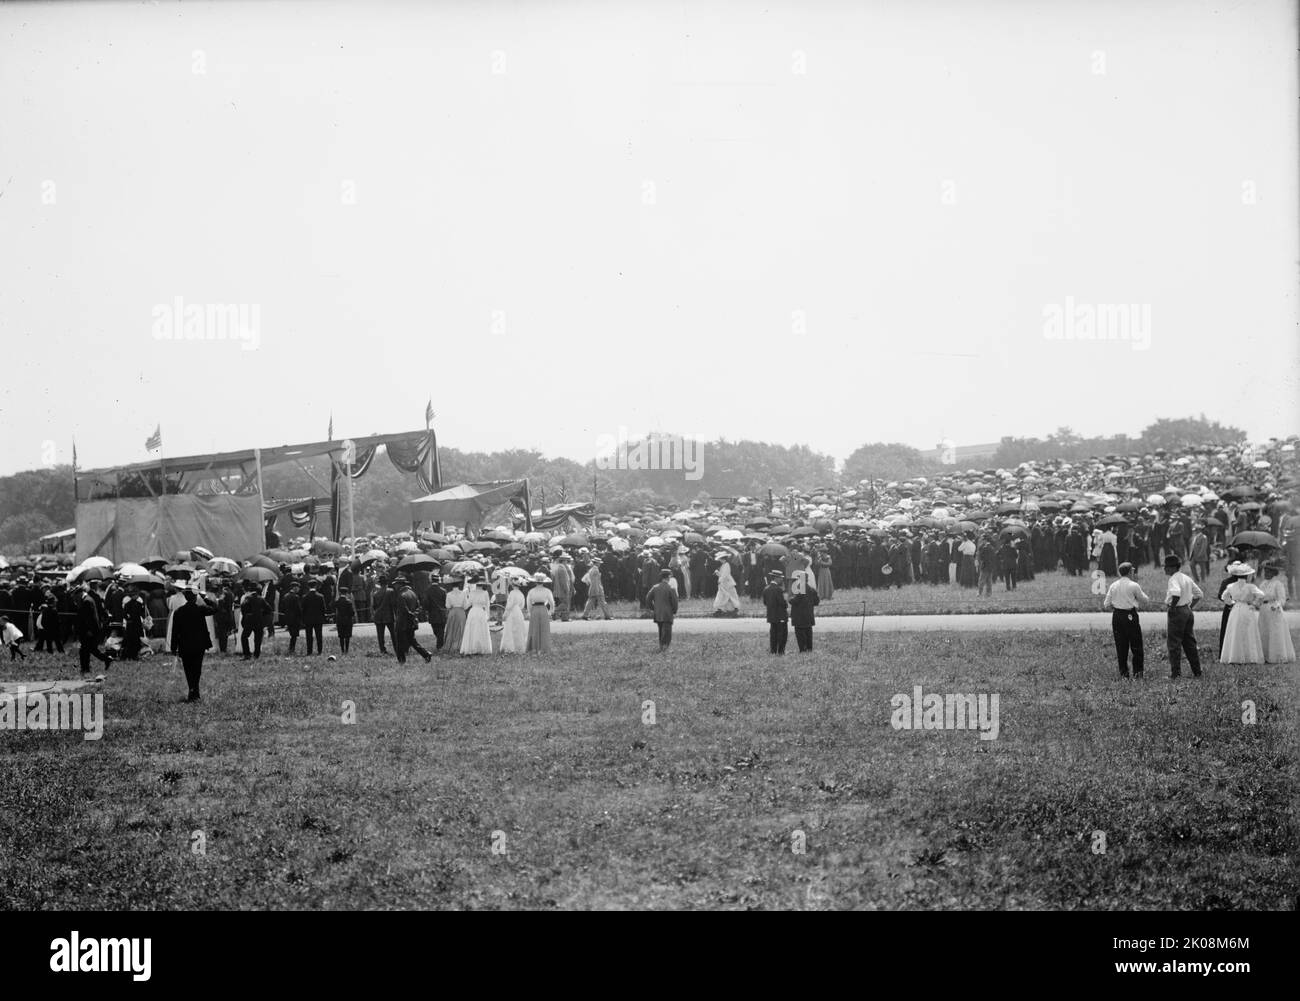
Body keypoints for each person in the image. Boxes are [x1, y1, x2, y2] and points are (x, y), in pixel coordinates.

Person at [1103, 562, 1148, 678]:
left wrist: (1116, 605)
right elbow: (1145, 600)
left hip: (1117, 616)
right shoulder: (1134, 585)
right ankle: (1138, 673)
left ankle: (1124, 674)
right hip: (1130, 615)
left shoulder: (1113, 585)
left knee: (1121, 646)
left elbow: (1106, 604)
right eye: (1132, 571)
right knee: (1136, 645)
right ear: (1129, 572)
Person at [170, 586, 215, 702]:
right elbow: (215, 608)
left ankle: (192, 690)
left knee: (188, 669)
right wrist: (205, 598)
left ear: (185, 597)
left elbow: (175, 631)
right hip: (199, 644)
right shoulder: (200, 609)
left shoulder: (178, 612)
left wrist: (173, 647)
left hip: (184, 644)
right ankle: (195, 691)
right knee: (197, 668)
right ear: (195, 597)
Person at [1163, 555, 1203, 678]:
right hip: (1187, 610)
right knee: (1190, 642)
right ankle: (1197, 671)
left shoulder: (1173, 579)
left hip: (1178, 611)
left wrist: (1173, 607)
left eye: (1166, 567)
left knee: (1174, 644)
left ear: (1173, 567)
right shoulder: (1186, 577)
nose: (1164, 569)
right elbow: (1199, 594)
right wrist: (1189, 607)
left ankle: (1175, 674)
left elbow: (1176, 594)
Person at [1220, 562, 1265, 665]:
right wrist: (1254, 604)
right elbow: (1261, 595)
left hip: (1236, 608)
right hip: (1246, 608)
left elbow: (1224, 597)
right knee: (1248, 630)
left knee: (1235, 630)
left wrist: (1231, 603)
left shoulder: (1231, 586)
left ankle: (1234, 655)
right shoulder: (1250, 586)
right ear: (1247, 575)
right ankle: (1250, 656)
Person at [1258, 562, 1295, 663]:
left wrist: (1277, 605)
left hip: (1274, 610)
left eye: (1268, 571)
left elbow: (1282, 599)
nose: (1265, 573)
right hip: (1264, 610)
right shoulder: (1263, 584)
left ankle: (1276, 656)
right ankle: (1265, 655)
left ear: (1273, 572)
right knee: (1264, 631)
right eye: (1265, 571)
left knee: (1274, 632)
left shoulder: (1278, 584)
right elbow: (1259, 598)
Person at [392, 576, 433, 663]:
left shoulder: (401, 595)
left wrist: (410, 614)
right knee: (412, 641)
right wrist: (414, 615)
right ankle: (426, 654)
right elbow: (419, 607)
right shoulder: (412, 593)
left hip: (402, 622)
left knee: (399, 642)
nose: (395, 586)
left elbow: (404, 610)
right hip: (411, 622)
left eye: (396, 584)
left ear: (400, 585)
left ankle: (401, 660)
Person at [75, 583, 113, 676]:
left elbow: (90, 618)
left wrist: (90, 630)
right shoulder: (87, 599)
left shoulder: (87, 601)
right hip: (89, 630)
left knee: (85, 650)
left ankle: (85, 668)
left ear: (79, 594)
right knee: (90, 649)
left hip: (89, 630)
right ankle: (105, 660)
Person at [239, 584, 272, 661]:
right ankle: (256, 655)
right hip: (259, 621)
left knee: (244, 637)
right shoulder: (261, 599)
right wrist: (262, 614)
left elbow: (243, 609)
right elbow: (269, 609)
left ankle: (247, 654)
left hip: (249, 621)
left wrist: (245, 617)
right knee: (257, 639)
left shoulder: (247, 598)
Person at [648, 569, 678, 650]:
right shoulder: (671, 588)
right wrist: (674, 610)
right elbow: (675, 602)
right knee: (667, 632)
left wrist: (653, 608)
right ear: (668, 577)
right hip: (668, 614)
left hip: (658, 613)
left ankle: (661, 645)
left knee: (660, 630)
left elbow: (648, 598)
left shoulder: (655, 587)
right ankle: (665, 647)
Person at [460, 580, 493, 655]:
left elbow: (466, 606)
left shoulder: (472, 592)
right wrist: (488, 615)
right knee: (481, 629)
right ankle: (481, 648)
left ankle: (472, 647)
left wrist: (465, 596)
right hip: (481, 612)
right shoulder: (485, 593)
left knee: (472, 629)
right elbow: (487, 605)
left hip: (473, 612)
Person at [790, 575, 820, 652]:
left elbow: (794, 601)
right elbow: (816, 602)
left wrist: (790, 598)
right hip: (809, 616)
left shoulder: (800, 590)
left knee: (800, 635)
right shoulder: (812, 589)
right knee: (808, 634)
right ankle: (809, 649)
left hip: (799, 617)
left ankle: (803, 650)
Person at [526, 573, 555, 653]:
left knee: (534, 629)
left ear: (535, 582)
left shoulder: (531, 591)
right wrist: (551, 611)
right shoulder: (547, 591)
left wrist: (529, 611)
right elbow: (552, 602)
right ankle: (544, 648)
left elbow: (528, 603)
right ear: (543, 582)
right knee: (544, 629)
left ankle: (534, 648)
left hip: (534, 609)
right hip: (543, 610)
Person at [762, 570, 788, 655]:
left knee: (773, 634)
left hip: (771, 616)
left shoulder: (766, 589)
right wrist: (786, 603)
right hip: (780, 615)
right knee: (782, 635)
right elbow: (782, 603)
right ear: (776, 578)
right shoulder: (778, 589)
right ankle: (781, 651)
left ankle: (773, 651)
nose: (782, 580)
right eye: (780, 578)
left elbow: (765, 602)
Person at [499, 580, 528, 654]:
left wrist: (505, 614)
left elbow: (509, 606)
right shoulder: (521, 594)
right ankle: (518, 647)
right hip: (518, 611)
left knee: (510, 628)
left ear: (512, 585)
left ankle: (510, 647)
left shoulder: (512, 593)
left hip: (512, 611)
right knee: (518, 629)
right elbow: (522, 605)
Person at [443, 577, 470, 653]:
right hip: (461, 612)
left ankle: (451, 645)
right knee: (461, 629)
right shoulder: (463, 593)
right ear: (459, 585)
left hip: (452, 612)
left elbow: (447, 606)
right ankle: (460, 645)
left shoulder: (448, 594)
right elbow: (465, 606)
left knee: (452, 629)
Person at [421, 572, 447, 650]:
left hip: (432, 613)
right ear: (438, 581)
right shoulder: (443, 591)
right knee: (441, 630)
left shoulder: (427, 590)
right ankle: (440, 644)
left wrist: (426, 610)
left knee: (435, 630)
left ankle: (439, 645)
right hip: (442, 613)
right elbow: (445, 602)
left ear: (431, 581)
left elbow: (426, 602)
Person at [300, 581, 326, 655]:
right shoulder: (320, 596)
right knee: (319, 636)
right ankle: (319, 651)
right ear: (316, 586)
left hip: (308, 619)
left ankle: (309, 651)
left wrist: (303, 618)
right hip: (318, 619)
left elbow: (303, 609)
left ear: (308, 587)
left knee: (309, 636)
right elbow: (323, 608)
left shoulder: (305, 597)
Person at [371, 578, 394, 655]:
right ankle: (396, 648)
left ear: (380, 584)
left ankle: (382, 650)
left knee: (380, 635)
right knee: (393, 634)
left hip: (378, 616)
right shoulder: (391, 591)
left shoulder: (375, 593)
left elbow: (374, 606)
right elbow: (393, 604)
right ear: (387, 583)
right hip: (389, 615)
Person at [280, 582, 303, 653]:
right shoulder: (296, 597)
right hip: (295, 618)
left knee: (292, 634)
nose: (299, 589)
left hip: (287, 618)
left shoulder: (286, 596)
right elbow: (298, 609)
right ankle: (292, 648)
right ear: (294, 587)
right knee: (294, 635)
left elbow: (282, 607)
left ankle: (291, 648)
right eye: (298, 587)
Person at [552, 554, 574, 622]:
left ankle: (565, 617)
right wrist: (566, 589)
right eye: (566, 560)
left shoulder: (559, 567)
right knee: (565, 603)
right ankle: (553, 611)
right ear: (563, 560)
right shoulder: (562, 569)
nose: (567, 561)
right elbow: (564, 581)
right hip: (563, 589)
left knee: (565, 603)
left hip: (560, 589)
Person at [334, 590, 355, 654]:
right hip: (348, 620)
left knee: (341, 636)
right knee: (347, 636)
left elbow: (332, 605)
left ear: (340, 593)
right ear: (346, 593)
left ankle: (342, 650)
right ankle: (347, 650)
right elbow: (352, 613)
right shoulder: (349, 602)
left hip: (339, 620)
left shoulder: (337, 602)